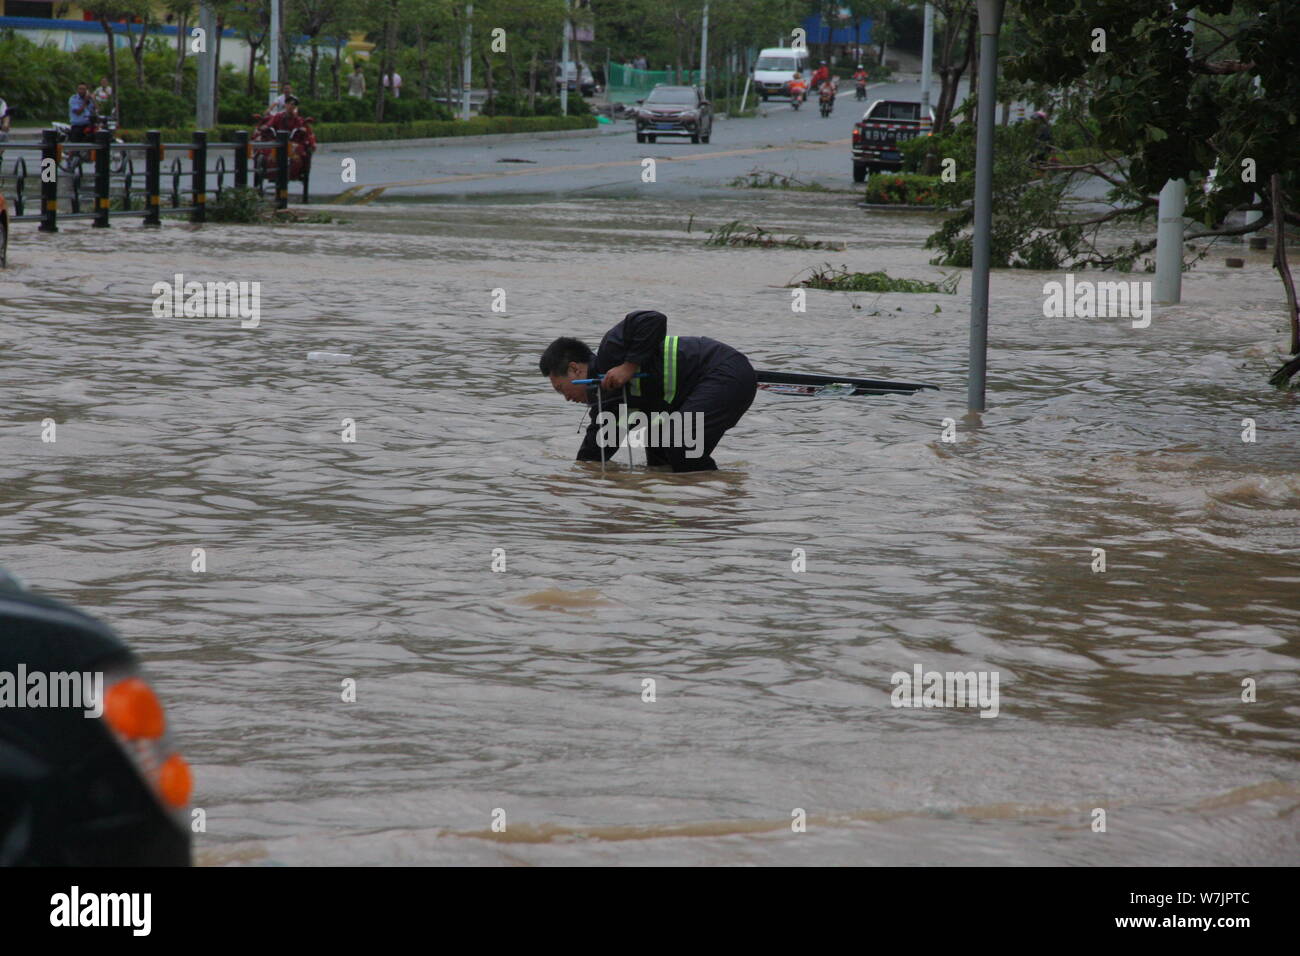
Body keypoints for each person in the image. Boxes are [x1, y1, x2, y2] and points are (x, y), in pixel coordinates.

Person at [540, 310, 757, 473]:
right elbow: (597, 449)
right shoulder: (607, 403)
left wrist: (628, 367)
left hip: (724, 371)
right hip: (703, 387)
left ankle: (718, 497)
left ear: (574, 369)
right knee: (657, 455)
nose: (567, 398)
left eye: (561, 389)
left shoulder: (611, 350)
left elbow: (653, 319)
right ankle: (696, 502)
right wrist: (577, 477)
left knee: (677, 441)